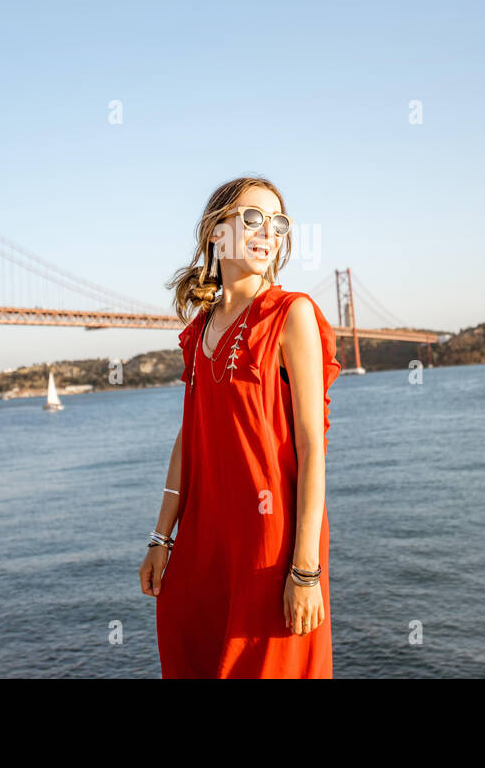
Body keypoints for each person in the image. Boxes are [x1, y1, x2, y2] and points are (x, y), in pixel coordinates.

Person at [138, 176, 341, 678]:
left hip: (270, 545)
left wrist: (306, 568)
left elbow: (314, 446)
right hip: (203, 543)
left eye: (278, 223)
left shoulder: (290, 314)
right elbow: (189, 436)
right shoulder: (199, 330)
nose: (266, 231)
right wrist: (161, 538)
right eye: (252, 217)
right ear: (215, 231)